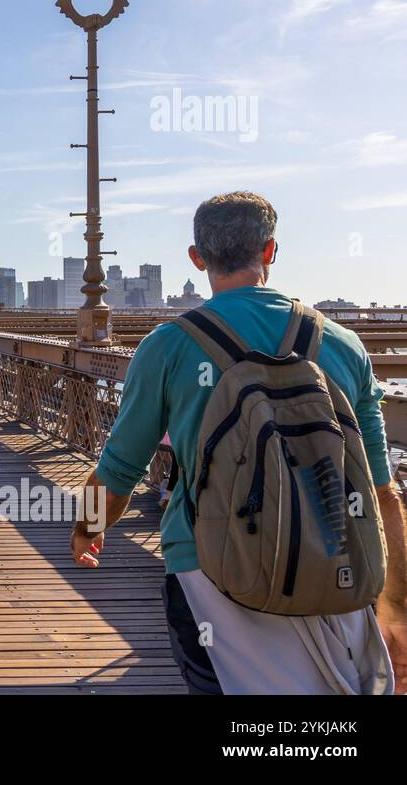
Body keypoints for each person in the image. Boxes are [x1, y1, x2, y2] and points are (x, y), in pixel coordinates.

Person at [71, 191, 406, 695]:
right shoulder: (342, 344)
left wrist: (87, 527)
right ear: (270, 251)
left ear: (197, 258)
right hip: (336, 565)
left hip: (208, 570)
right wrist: (397, 610)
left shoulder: (166, 346)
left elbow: (119, 472)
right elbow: (382, 492)